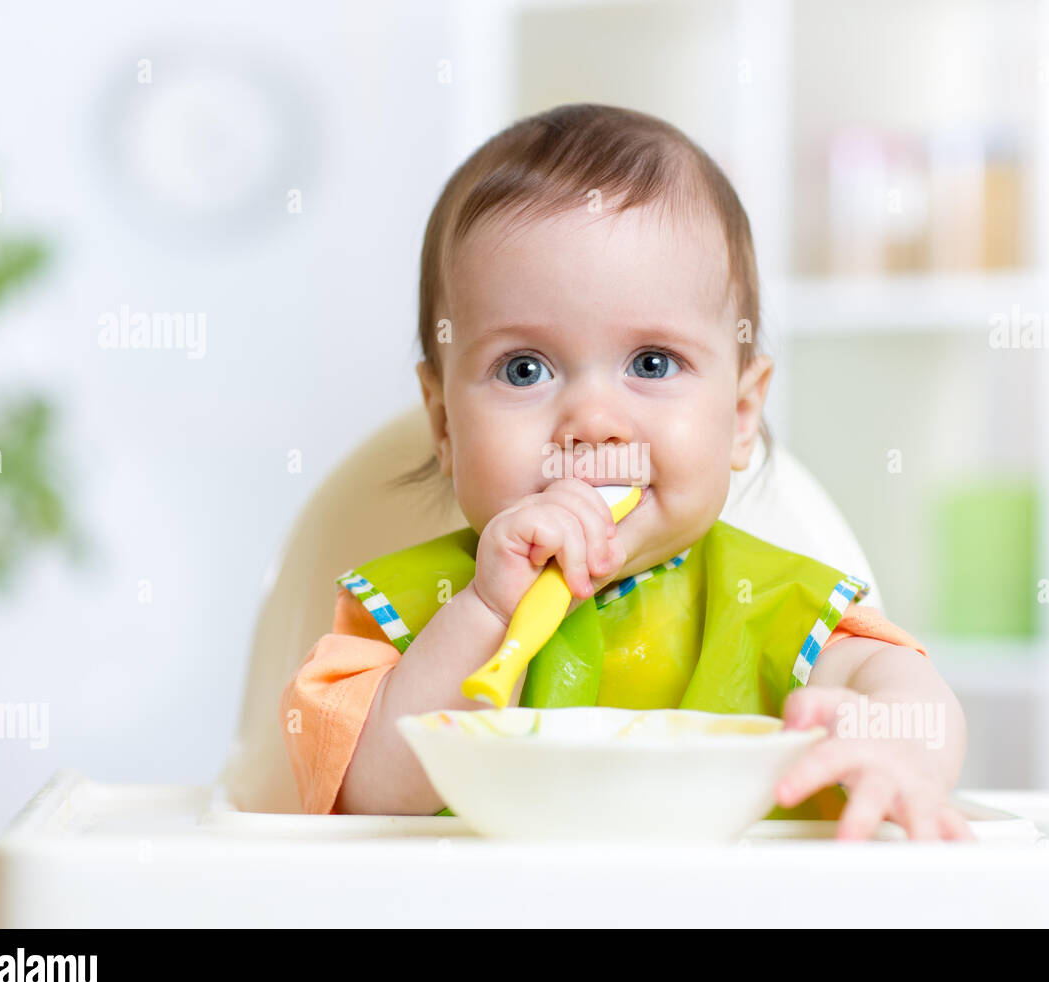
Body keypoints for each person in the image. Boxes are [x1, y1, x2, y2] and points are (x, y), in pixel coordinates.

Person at [281, 103, 972, 841]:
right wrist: (485, 610)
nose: (593, 419)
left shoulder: (771, 607)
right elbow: (362, 792)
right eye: (523, 369)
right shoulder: (410, 613)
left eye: (651, 363)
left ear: (740, 414)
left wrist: (899, 747)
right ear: (445, 422)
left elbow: (908, 694)